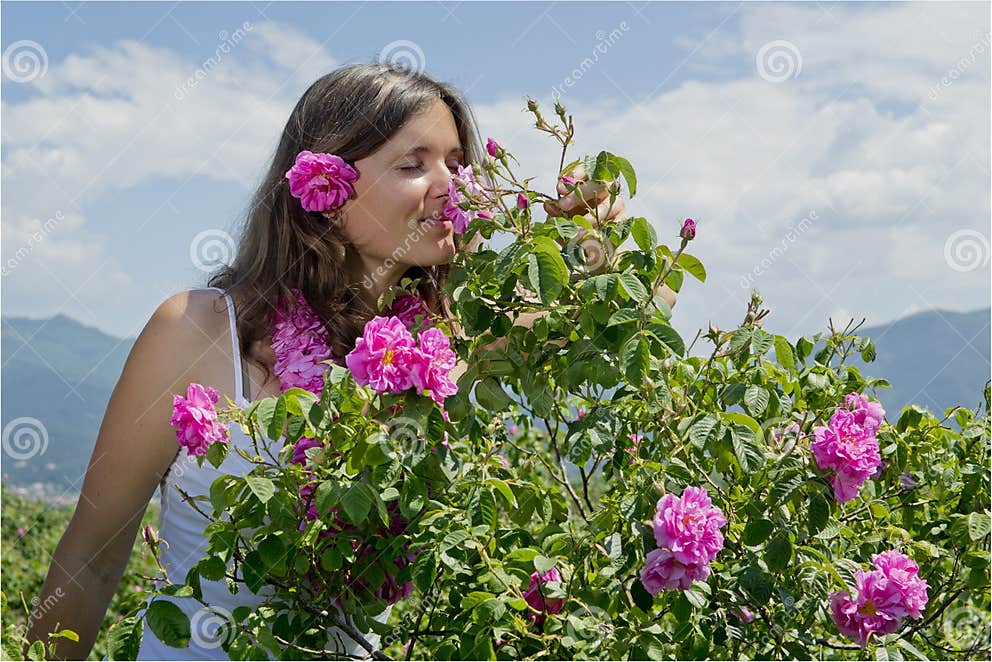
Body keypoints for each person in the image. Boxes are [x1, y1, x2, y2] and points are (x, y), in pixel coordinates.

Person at [24, 61, 673, 660]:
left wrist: (596, 239)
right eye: (414, 164)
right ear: (326, 185)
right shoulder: (197, 329)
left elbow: (646, 307)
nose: (453, 186)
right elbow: (94, 557)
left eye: (456, 161)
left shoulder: (457, 344)